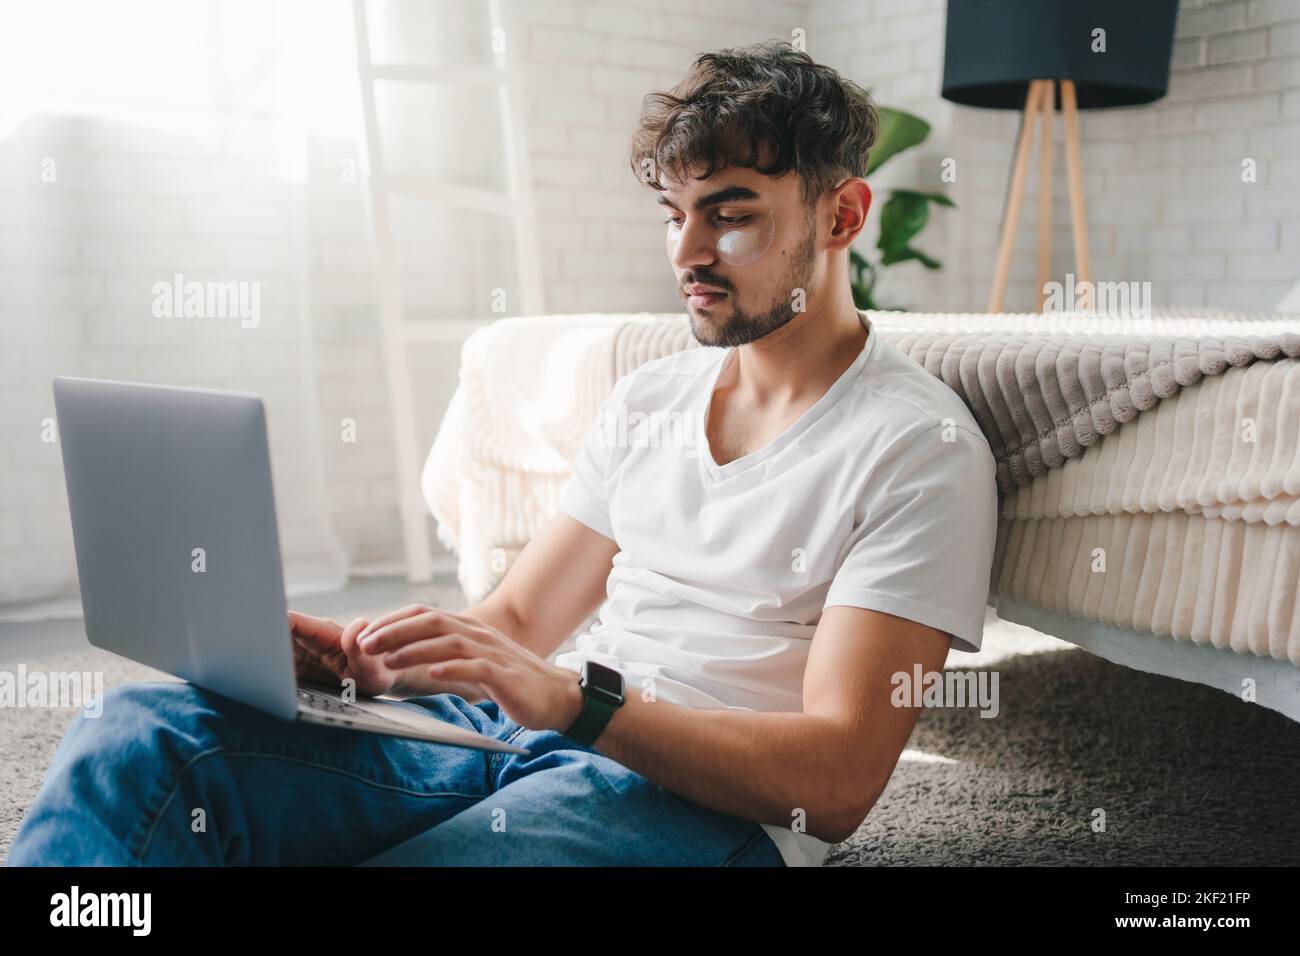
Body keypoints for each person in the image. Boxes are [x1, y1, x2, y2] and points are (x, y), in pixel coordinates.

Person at [7, 40, 997, 867]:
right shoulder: (651, 397)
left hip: (708, 808)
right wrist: (366, 667)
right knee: (137, 739)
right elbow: (518, 619)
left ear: (842, 215)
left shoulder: (916, 447)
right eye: (673, 212)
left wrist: (575, 701)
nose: (687, 252)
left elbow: (830, 782)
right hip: (530, 732)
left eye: (731, 213)